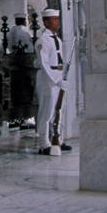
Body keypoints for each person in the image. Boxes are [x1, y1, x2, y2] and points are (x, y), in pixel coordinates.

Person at [35, 9, 71, 154]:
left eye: (58, 19)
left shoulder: (57, 39)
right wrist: (57, 80)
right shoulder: (42, 41)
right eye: (55, 19)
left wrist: (62, 77)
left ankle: (58, 140)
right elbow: (44, 64)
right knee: (47, 111)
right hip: (47, 79)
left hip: (58, 76)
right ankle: (44, 144)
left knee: (59, 110)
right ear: (47, 22)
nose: (58, 22)